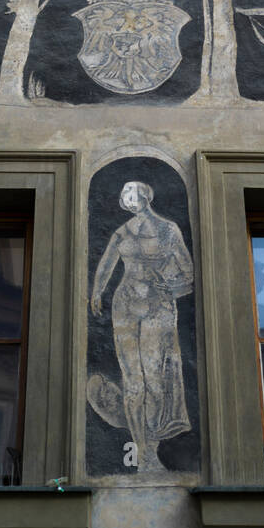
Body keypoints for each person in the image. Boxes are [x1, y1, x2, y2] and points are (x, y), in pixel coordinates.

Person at [89, 181, 193, 472]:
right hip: (124, 306)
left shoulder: (168, 230)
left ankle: (154, 445)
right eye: (125, 196)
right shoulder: (123, 231)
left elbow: (189, 273)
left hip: (157, 307)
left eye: (132, 194)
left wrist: (172, 288)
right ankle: (144, 455)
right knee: (133, 381)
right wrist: (97, 291)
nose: (129, 200)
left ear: (146, 196)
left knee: (154, 380)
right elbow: (108, 262)